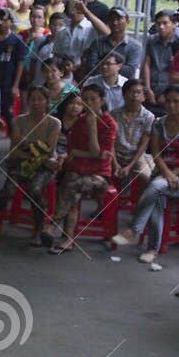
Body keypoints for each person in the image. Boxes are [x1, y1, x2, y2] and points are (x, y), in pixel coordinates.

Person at [112, 85, 179, 262]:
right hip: (163, 174)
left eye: (176, 101)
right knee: (157, 194)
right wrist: (167, 173)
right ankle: (151, 249)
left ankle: (134, 229)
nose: (171, 105)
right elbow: (156, 154)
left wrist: (174, 174)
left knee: (155, 187)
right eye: (168, 101)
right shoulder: (159, 123)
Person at [0, 84, 62, 243]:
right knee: (8, 190)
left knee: (35, 189)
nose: (36, 103)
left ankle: (38, 229)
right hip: (21, 163)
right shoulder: (19, 120)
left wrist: (26, 144)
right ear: (27, 101)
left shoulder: (54, 123)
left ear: (46, 101)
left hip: (44, 165)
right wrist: (37, 147)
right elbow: (15, 151)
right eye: (32, 99)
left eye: (40, 99)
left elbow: (49, 149)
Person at [44, 82, 117, 254]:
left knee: (72, 184)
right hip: (77, 170)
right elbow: (72, 150)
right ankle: (67, 239)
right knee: (72, 186)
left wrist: (91, 129)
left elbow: (99, 153)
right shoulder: (80, 121)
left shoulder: (109, 123)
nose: (88, 103)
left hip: (100, 175)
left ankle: (53, 225)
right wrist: (72, 154)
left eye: (93, 99)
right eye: (85, 99)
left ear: (102, 100)